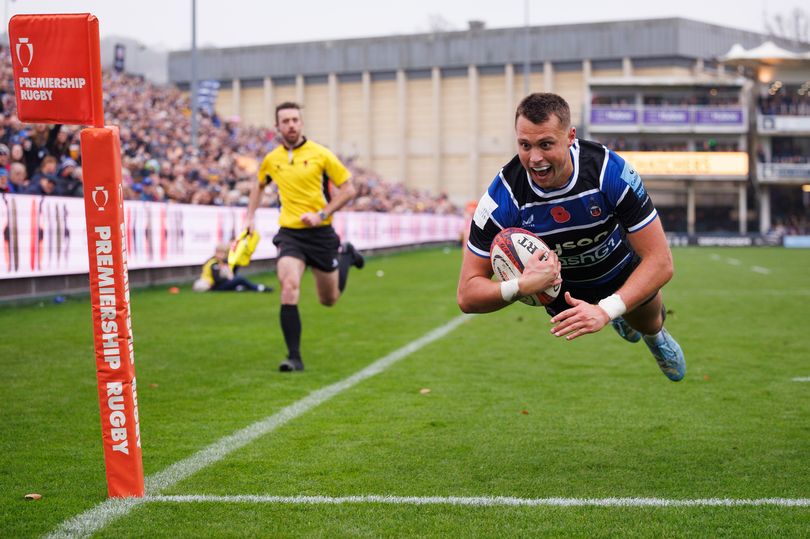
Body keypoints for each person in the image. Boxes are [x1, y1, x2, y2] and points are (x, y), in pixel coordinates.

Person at [457, 93, 685, 382]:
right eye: (525, 145)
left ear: (570, 137)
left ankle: (655, 337)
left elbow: (661, 261)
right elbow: (467, 294)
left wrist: (606, 310)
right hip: (563, 290)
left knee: (648, 319)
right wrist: (521, 285)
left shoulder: (608, 171)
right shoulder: (502, 199)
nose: (535, 158)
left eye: (546, 144)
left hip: (619, 269)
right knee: (625, 310)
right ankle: (624, 314)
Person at [246, 102, 364, 373]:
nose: (290, 125)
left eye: (295, 120)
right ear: (277, 126)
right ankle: (294, 357)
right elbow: (259, 185)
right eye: (285, 121)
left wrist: (322, 214)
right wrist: (249, 217)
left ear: (301, 123)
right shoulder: (271, 159)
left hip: (321, 234)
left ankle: (345, 255)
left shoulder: (321, 155)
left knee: (329, 299)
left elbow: (348, 190)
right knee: (288, 286)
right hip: (290, 234)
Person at [195, 243, 272, 293]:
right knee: (239, 279)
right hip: (213, 287)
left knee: (238, 280)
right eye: (219, 253)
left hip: (216, 285)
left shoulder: (220, 262)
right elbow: (217, 279)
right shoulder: (213, 263)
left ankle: (250, 288)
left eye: (223, 253)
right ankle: (258, 288)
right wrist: (229, 278)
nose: (222, 255)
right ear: (216, 252)